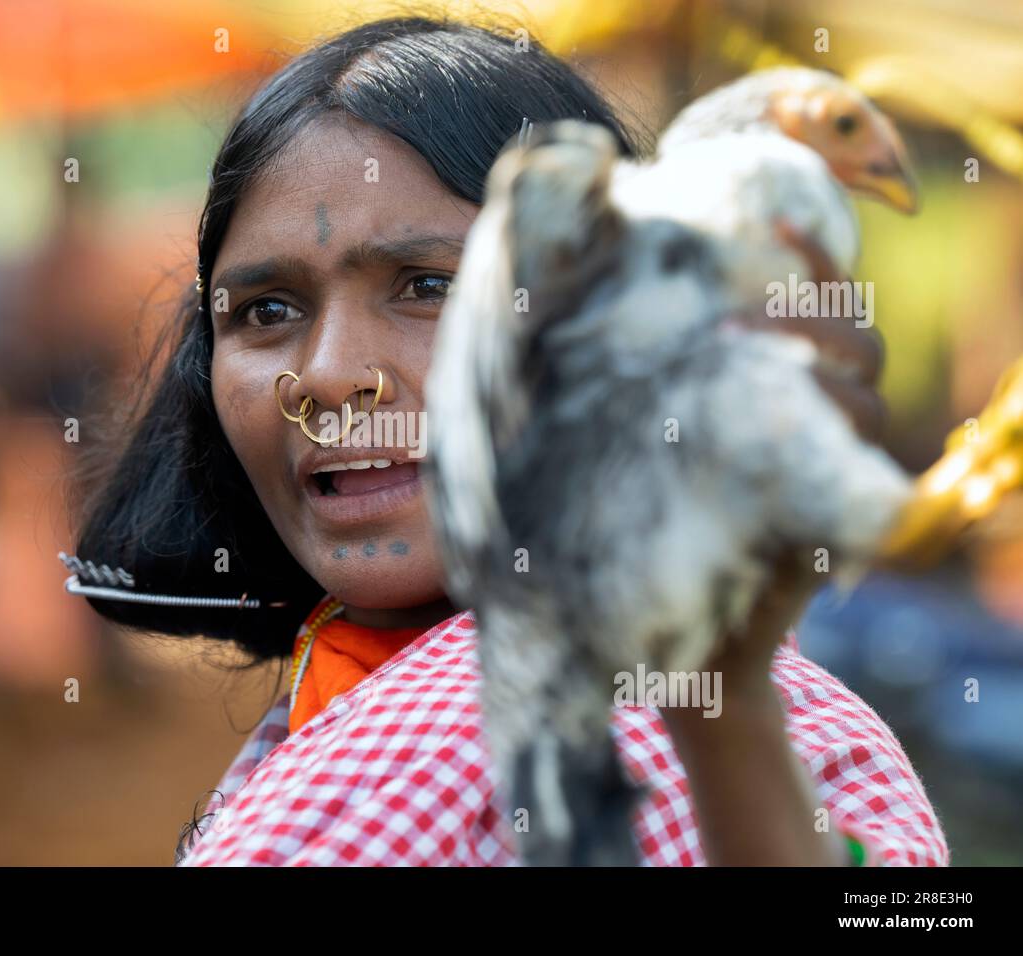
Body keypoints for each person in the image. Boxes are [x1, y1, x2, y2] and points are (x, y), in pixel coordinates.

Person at [74, 15, 949, 866]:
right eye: (267, 311)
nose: (329, 377)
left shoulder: (778, 743)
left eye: (427, 286)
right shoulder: (336, 708)